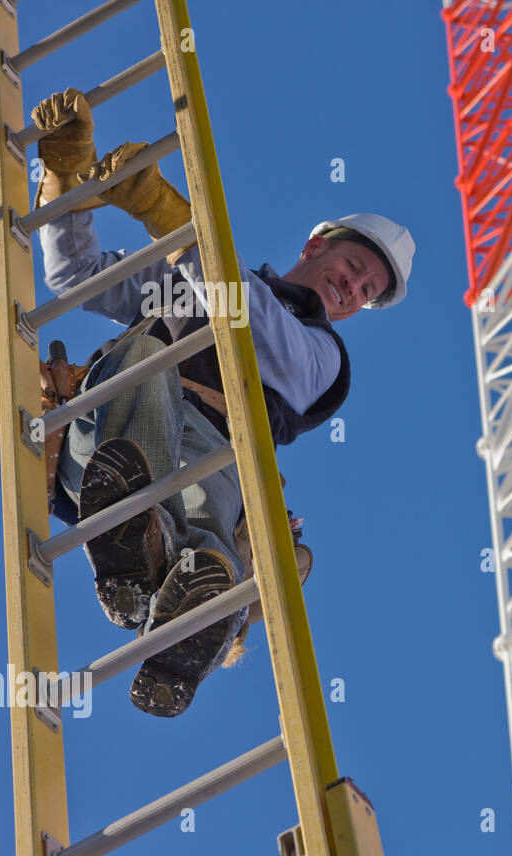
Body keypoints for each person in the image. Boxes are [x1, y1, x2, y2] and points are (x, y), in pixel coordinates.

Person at [32, 88, 415, 718]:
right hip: (109, 437)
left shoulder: (321, 356)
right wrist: (63, 179)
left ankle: (173, 609)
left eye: (366, 292)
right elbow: (78, 274)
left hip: (204, 467)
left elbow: (249, 320)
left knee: (211, 553)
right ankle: (140, 546)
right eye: (352, 267)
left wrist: (168, 215)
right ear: (316, 247)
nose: (351, 289)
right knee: (143, 365)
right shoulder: (192, 281)